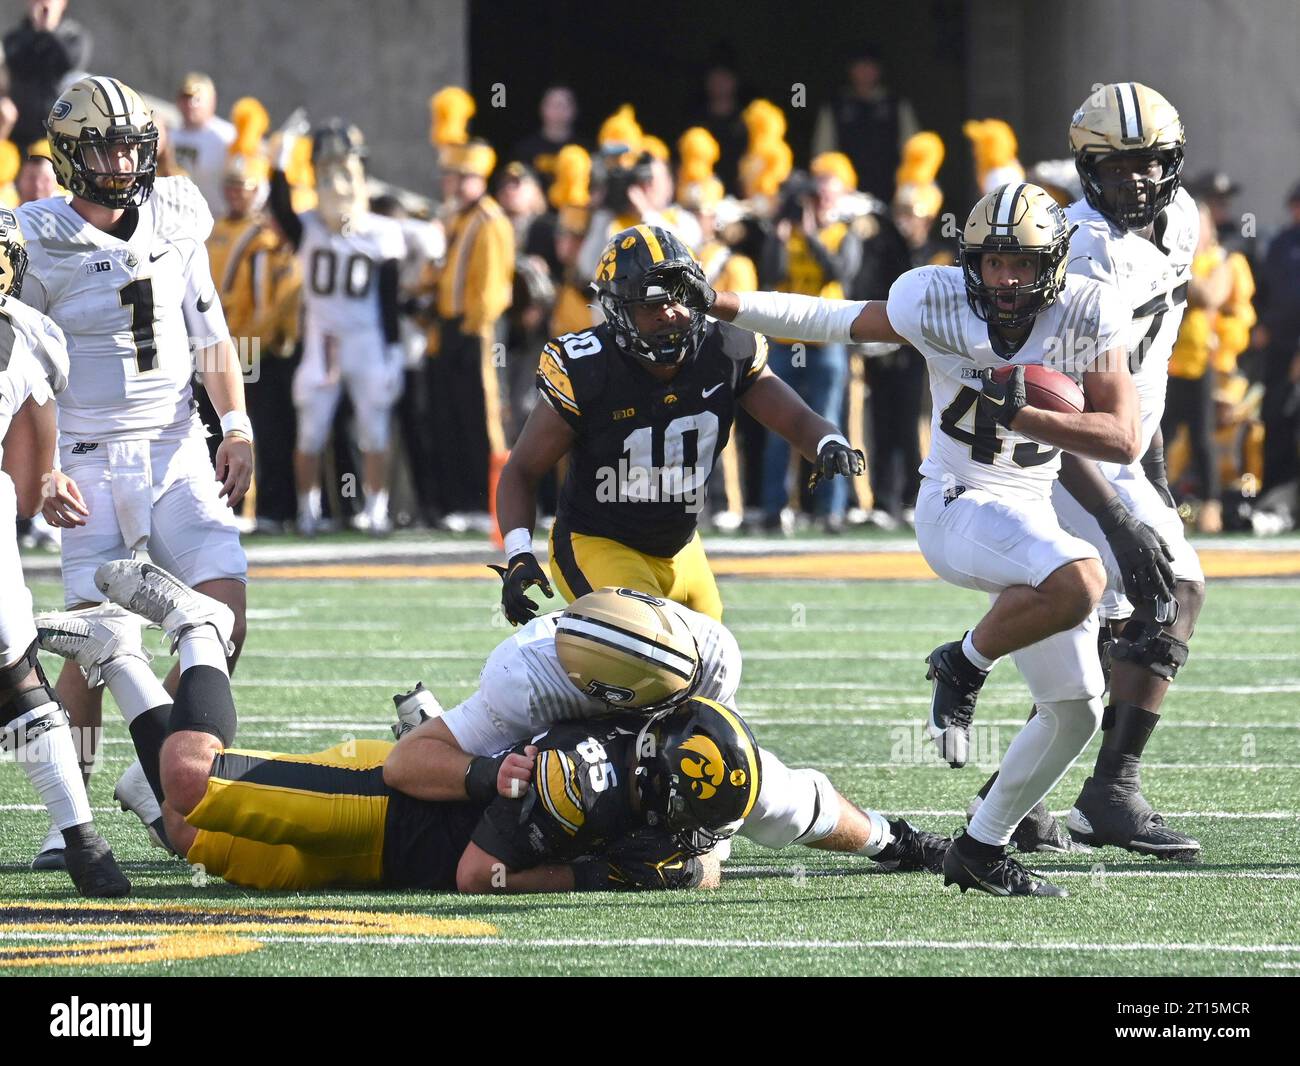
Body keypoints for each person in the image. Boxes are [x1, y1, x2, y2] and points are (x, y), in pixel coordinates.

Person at [677, 183, 1156, 896]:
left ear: (1053, 262)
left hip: (1028, 513)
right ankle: (963, 664)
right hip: (956, 505)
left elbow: (1122, 437)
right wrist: (723, 303)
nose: (1005, 279)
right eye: (991, 263)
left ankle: (980, 848)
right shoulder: (934, 299)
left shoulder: (1086, 309)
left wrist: (1024, 412)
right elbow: (833, 319)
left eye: (1021, 263)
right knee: (1083, 579)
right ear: (971, 263)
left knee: (1078, 708)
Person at [42, 560, 752, 894]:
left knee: (186, 832)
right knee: (191, 781)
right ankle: (200, 627)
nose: (687, 835)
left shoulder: (666, 755)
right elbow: (482, 875)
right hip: (379, 809)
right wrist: (600, 876)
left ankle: (119, 656)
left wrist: (687, 865)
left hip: (379, 866)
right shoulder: (581, 767)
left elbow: (719, 844)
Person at [17, 75, 251, 869]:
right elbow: (22, 367)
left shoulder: (181, 213)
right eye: (107, 147)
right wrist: (41, 471)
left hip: (177, 442)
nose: (124, 161)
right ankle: (68, 813)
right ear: (72, 157)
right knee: (92, 645)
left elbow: (211, 331)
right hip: (85, 457)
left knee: (225, 610)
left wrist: (237, 423)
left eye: (132, 145)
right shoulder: (33, 239)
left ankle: (157, 776)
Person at [386, 585, 947, 868]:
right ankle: (440, 720)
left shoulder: (710, 652)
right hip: (556, 751)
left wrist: (703, 846)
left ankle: (890, 839)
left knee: (763, 790)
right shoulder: (527, 679)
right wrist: (487, 772)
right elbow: (406, 762)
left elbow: (714, 774)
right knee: (521, 806)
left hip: (655, 758)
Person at [1012, 83, 1206, 858]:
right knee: (1166, 592)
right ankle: (1109, 790)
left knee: (1103, 620)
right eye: (1114, 165)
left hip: (1124, 449)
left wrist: (1152, 473)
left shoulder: (1182, 219)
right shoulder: (1081, 250)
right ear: (1085, 167)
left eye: (1149, 163)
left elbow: (1146, 368)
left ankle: (1022, 796)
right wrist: (1124, 517)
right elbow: (1057, 406)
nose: (1134, 180)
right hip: (1070, 457)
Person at [494, 224, 864, 625]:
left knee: (715, 670)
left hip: (682, 547)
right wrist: (518, 553)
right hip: (597, 543)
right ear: (618, 310)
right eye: (650, 305)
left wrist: (827, 441)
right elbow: (523, 469)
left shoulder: (726, 348)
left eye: (678, 299)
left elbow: (793, 417)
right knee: (647, 647)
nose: (668, 313)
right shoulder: (587, 367)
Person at [0, 206, 128, 897]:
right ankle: (83, 842)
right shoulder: (31, 336)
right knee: (14, 672)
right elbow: (26, 488)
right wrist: (47, 478)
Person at [268, 121, 406, 536]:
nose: (337, 184)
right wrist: (280, 157)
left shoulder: (382, 231)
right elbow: (279, 208)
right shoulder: (309, 224)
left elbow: (389, 297)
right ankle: (308, 509)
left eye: (344, 174)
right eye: (327, 176)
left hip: (366, 340)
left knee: (373, 428)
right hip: (323, 341)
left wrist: (395, 351)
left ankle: (376, 508)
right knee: (311, 430)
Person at [427, 137, 515, 524]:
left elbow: (493, 287)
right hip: (451, 327)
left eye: (461, 177)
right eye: (450, 176)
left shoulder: (489, 221)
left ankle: (489, 503)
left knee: (483, 415)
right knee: (452, 414)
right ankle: (462, 501)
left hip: (477, 331)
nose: (452, 184)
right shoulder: (457, 219)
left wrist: (471, 328)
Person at [810, 48, 919, 203]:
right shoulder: (835, 106)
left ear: (879, 71)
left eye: (870, 67)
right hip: (846, 194)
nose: (865, 72)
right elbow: (823, 153)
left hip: (890, 190)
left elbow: (913, 150)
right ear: (850, 71)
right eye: (859, 67)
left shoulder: (896, 105)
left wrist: (910, 187)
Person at [2, 0, 92, 150]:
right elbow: (15, 61)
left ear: (62, 4)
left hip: (52, 134)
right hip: (15, 133)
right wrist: (37, 31)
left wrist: (48, 30)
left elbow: (69, 62)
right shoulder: (15, 38)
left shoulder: (73, 36)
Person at [169, 73, 236, 217]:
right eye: (185, 98)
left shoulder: (227, 137)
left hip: (216, 220)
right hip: (176, 220)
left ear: (212, 100)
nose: (191, 104)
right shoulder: (170, 137)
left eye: (197, 99)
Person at [509, 86, 577, 196]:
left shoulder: (584, 148)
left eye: (563, 105)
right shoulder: (526, 149)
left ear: (574, 110)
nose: (558, 111)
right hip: (535, 209)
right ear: (542, 108)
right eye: (553, 105)